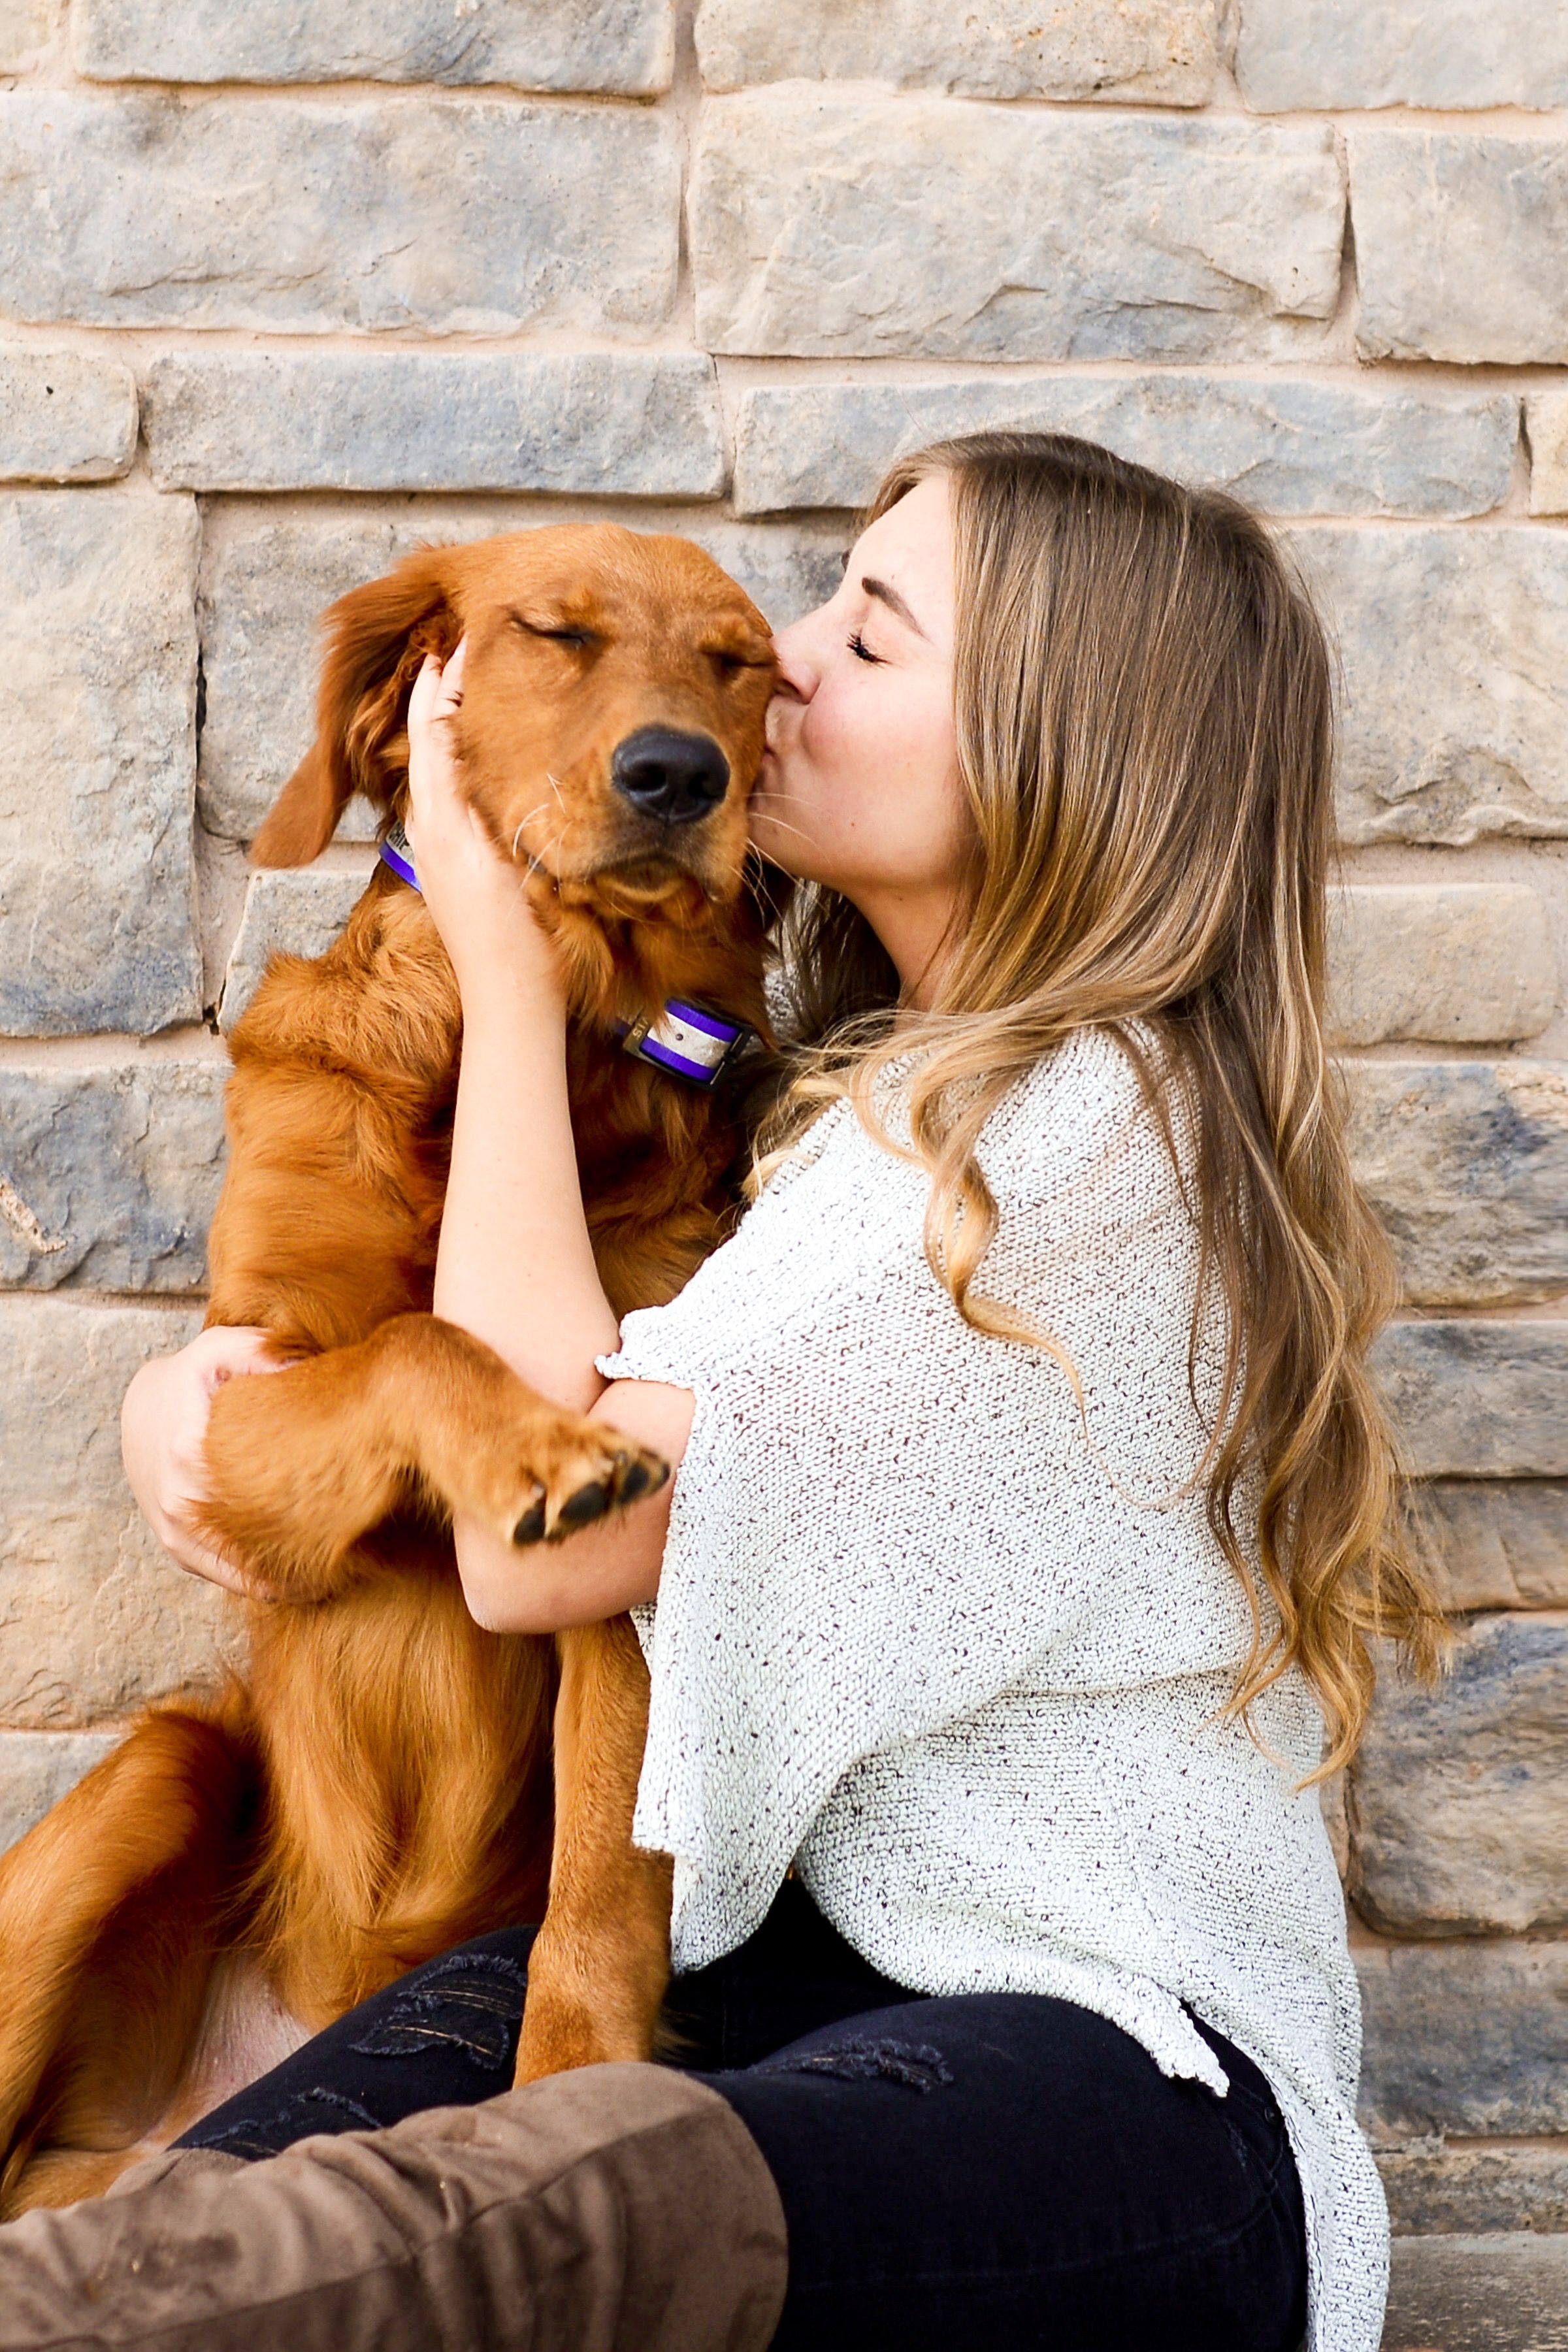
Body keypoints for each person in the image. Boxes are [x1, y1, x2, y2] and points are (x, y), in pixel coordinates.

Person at [14, 433, 1439, 2352]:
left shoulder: (1075, 1142)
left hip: (1117, 2073)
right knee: (196, 2233)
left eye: (869, 630)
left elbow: (544, 1548)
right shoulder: (840, 1110)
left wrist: (502, 977)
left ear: (1055, 746)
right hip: (779, 1973)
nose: (779, 667)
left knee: (482, 2235)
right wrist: (203, 1418)